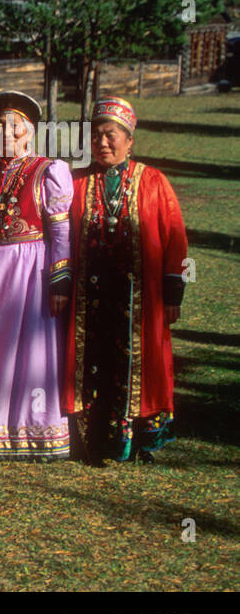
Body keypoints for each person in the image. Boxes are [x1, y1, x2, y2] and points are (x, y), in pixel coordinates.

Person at [63, 96, 188, 465]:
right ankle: (93, 438)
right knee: (93, 361)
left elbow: (175, 238)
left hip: (139, 299)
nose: (102, 142)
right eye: (96, 135)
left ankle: (138, 442)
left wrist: (173, 291)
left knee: (140, 360)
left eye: (111, 135)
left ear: (129, 139)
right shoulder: (76, 183)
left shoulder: (153, 182)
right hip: (89, 297)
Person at [0, 91, 73, 461]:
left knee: (32, 348)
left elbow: (60, 232)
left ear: (30, 133)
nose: (7, 134)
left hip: (32, 270)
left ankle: (36, 428)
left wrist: (59, 279)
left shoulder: (49, 171)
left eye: (16, 128)